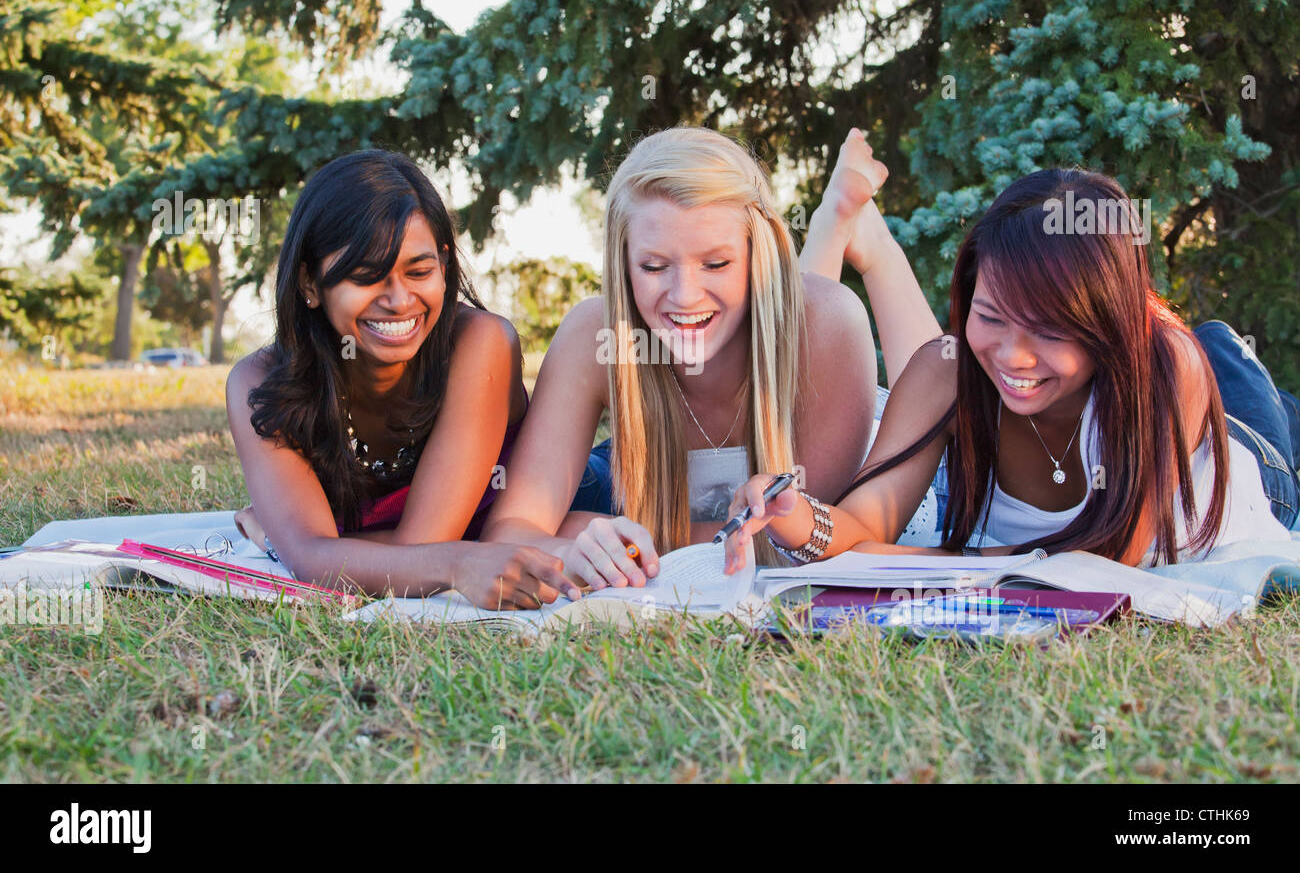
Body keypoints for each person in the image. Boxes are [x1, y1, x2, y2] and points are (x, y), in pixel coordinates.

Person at [726, 168, 1297, 572]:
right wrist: (796, 517)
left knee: (1221, 358)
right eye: (991, 317)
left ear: (1108, 328)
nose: (1012, 357)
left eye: (1049, 331)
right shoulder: (945, 371)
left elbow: (1106, 558)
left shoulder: (1166, 368)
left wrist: (949, 560)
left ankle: (1225, 348)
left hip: (1260, 475)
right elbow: (862, 530)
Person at [481, 126, 941, 589]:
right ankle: (831, 224)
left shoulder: (831, 323)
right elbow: (511, 530)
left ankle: (860, 235)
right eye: (654, 267)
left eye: (716, 264)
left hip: (873, 463)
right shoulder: (597, 335)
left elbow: (792, 548)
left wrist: (596, 533)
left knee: (937, 367)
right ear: (622, 264)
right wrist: (574, 549)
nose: (683, 296)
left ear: (755, 254)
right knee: (782, 312)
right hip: (772, 330)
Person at [226, 150, 574, 607]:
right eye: (366, 275)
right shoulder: (260, 382)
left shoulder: (478, 342)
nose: (398, 299)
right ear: (310, 284)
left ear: (444, 265)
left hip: (574, 496)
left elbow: (403, 549)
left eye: (419, 271)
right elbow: (329, 556)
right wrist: (457, 563)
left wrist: (290, 546)